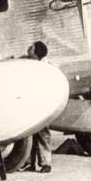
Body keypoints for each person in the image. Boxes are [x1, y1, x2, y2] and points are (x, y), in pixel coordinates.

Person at [24, 41, 54, 173]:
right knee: (32, 134)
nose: (28, 48)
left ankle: (45, 163)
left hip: (42, 106)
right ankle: (30, 162)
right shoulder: (39, 64)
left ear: (35, 54)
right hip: (36, 104)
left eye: (31, 48)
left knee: (42, 134)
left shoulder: (42, 68)